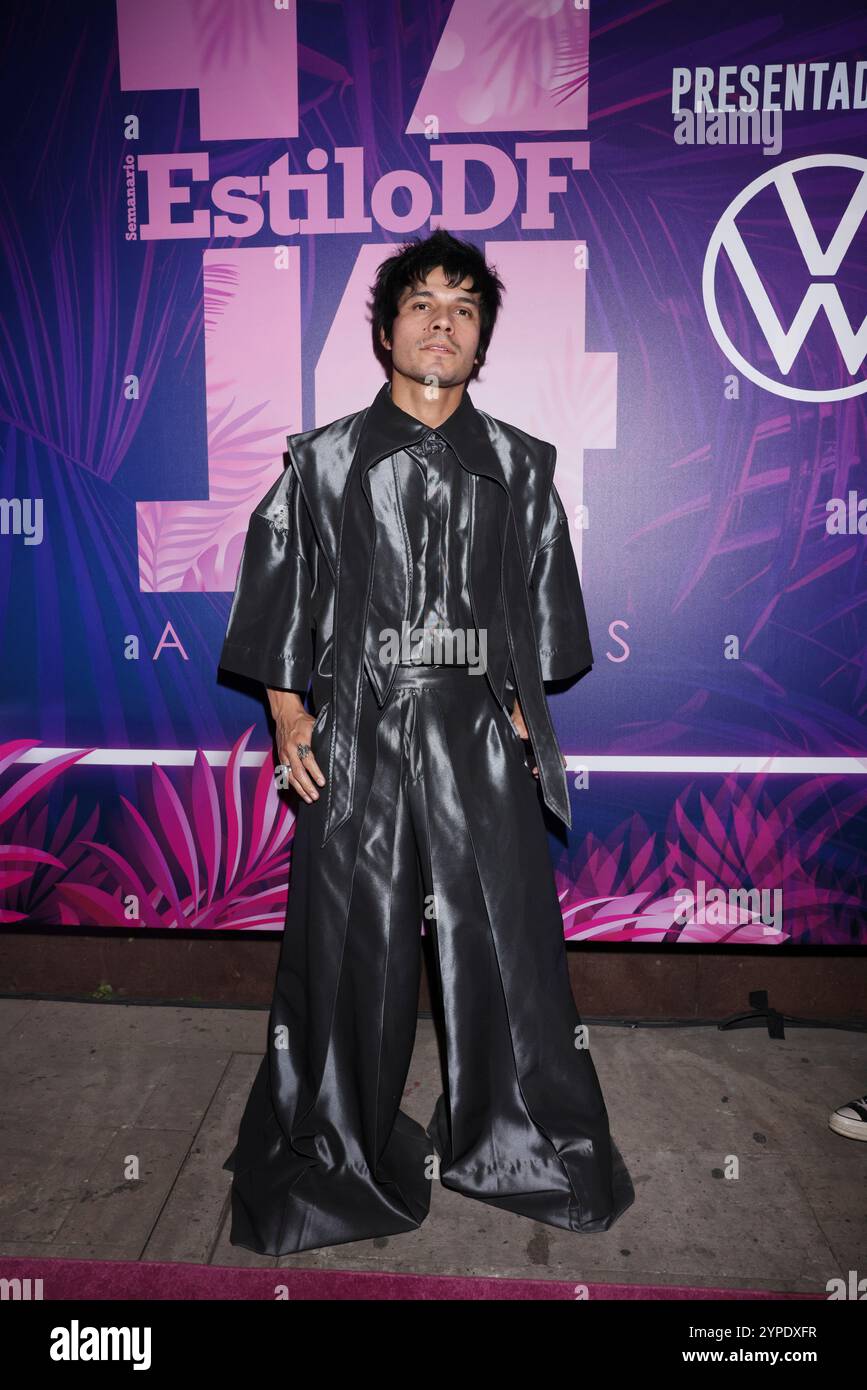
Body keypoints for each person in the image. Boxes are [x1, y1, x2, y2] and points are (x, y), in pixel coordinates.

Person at [218, 227, 635, 1255]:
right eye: (421, 303)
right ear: (386, 328)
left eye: (463, 306)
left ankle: (523, 1137)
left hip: (475, 736)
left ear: (480, 335)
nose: (441, 321)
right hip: (352, 731)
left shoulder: (520, 465)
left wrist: (517, 711)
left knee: (505, 949)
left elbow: (546, 620)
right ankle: (334, 1145)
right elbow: (280, 590)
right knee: (347, 950)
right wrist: (288, 712)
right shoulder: (317, 463)